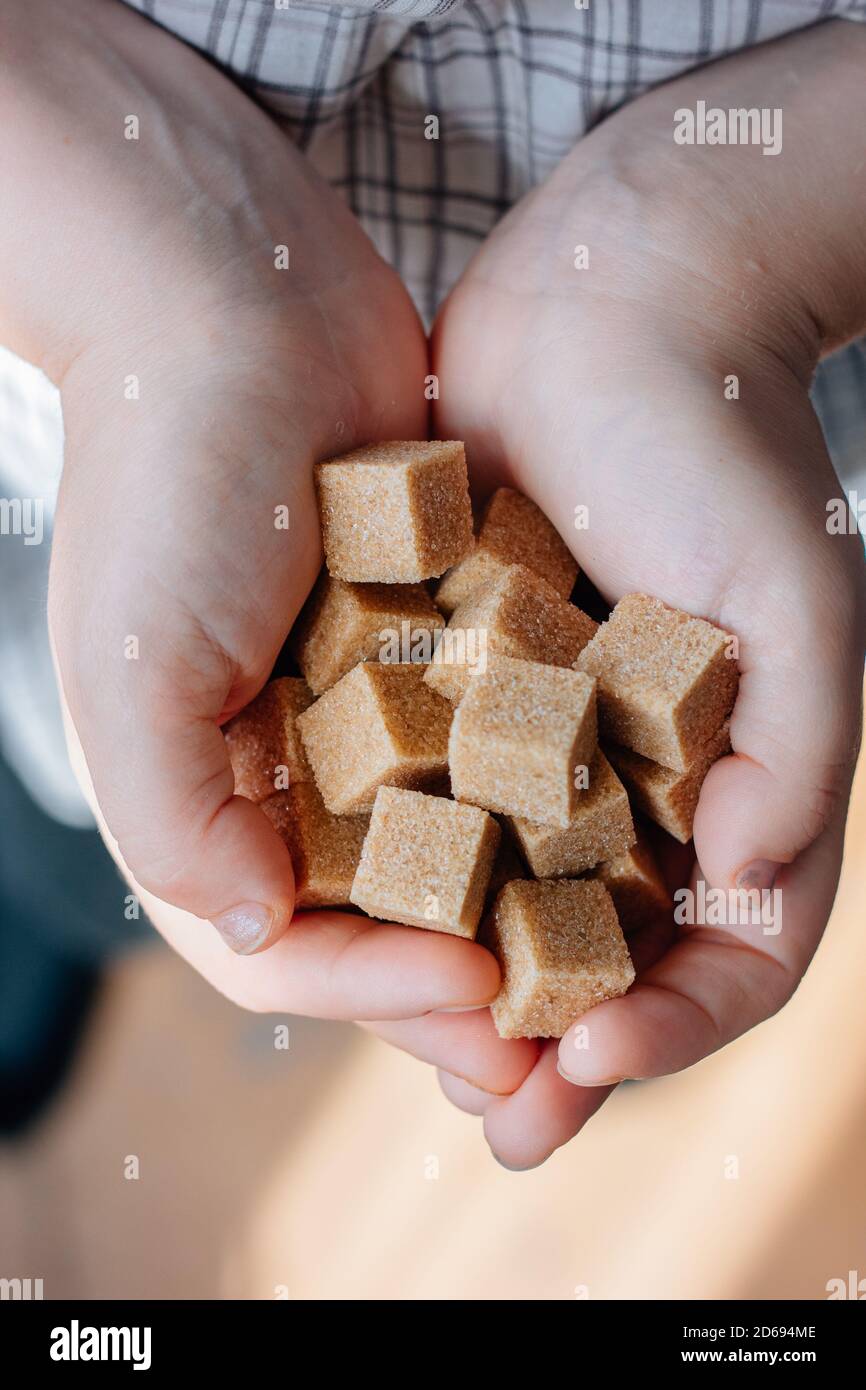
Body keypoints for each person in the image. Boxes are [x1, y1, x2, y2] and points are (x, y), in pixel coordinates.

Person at [1, 0, 864, 1167]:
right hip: (111, 417)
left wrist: (729, 246)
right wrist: (142, 295)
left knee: (624, 954)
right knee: (84, 825)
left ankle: (561, 965)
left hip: (744, 398)